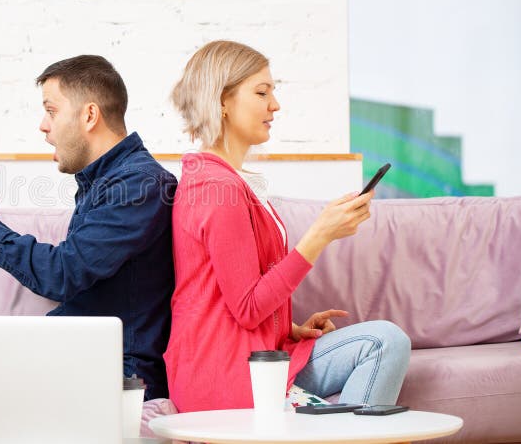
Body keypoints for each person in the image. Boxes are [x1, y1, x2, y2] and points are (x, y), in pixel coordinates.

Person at [164, 40, 410, 413]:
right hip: (229, 375)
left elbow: (233, 293)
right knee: (384, 343)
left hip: (260, 357)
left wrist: (286, 327)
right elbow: (247, 307)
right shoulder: (217, 188)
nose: (274, 105)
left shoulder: (227, 180)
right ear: (223, 102)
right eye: (262, 92)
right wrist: (319, 235)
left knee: (383, 341)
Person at [0, 55, 177, 400]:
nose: (43, 125)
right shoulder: (106, 182)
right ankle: (10, 391)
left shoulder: (138, 186)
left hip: (109, 365)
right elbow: (71, 278)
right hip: (72, 347)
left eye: (52, 111)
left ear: (89, 115)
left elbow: (62, 274)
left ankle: (8, 394)